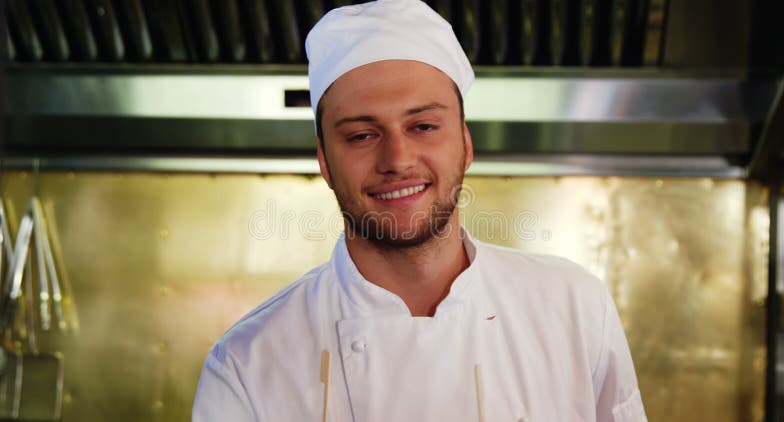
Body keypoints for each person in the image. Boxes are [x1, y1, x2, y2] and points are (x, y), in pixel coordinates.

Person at [192, 0, 646, 421]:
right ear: (325, 163)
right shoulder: (246, 366)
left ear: (465, 144)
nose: (398, 159)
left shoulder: (575, 309)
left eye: (424, 126)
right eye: (361, 135)